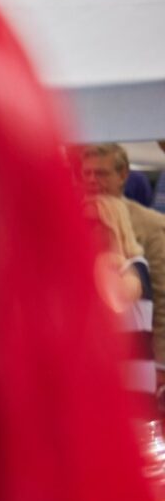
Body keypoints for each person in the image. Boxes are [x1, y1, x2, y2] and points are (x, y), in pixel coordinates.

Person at [77, 143, 165, 394]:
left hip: (135, 353)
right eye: (87, 173)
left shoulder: (150, 225)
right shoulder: (74, 217)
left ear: (123, 174)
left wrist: (161, 364)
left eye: (101, 173)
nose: (93, 180)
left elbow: (161, 295)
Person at [84, 193, 157, 417]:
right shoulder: (93, 271)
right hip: (105, 379)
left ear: (113, 225)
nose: (86, 229)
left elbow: (120, 297)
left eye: (95, 223)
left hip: (134, 382)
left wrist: (109, 256)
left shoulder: (135, 266)